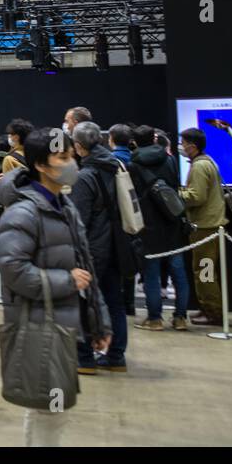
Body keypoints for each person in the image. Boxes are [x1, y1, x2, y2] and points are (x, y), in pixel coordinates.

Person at [0, 127, 111, 446]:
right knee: (50, 410)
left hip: (64, 324)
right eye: (62, 158)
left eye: (71, 157)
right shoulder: (23, 212)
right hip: (38, 325)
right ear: (41, 166)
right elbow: (13, 269)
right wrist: (66, 281)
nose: (71, 163)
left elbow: (85, 266)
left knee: (50, 410)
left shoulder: (65, 205)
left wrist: (98, 320)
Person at [69, 121, 133, 373]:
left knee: (82, 302)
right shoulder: (117, 165)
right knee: (114, 300)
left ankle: (84, 358)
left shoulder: (85, 176)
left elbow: (79, 218)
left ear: (78, 146)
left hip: (93, 248)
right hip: (118, 243)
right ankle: (116, 356)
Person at [129, 125, 191, 331]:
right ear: (154, 139)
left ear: (135, 142)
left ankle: (155, 319)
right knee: (179, 273)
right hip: (172, 221)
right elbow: (174, 189)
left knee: (151, 276)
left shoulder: (133, 164)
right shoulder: (170, 159)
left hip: (148, 226)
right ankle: (180, 317)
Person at [178, 127, 226, 327]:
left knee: (205, 271)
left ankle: (213, 312)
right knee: (207, 270)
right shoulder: (208, 162)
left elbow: (197, 197)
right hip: (211, 224)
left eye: (183, 142)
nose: (181, 146)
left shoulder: (199, 167)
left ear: (192, 145)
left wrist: (176, 194)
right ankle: (209, 307)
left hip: (205, 226)